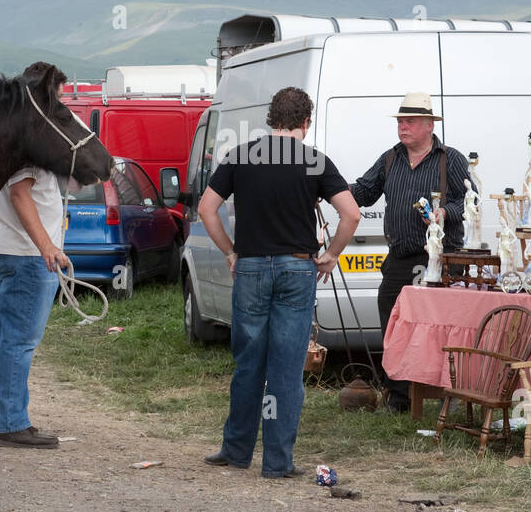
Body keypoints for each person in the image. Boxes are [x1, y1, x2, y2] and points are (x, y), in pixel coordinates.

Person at [198, 87, 360, 477]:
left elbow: (207, 209)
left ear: (271, 119)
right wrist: (331, 255)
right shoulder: (315, 161)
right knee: (286, 368)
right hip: (297, 268)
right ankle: (277, 462)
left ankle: (236, 452)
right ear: (306, 122)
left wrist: (230, 252)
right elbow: (351, 214)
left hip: (251, 267)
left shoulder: (240, 156)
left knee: (248, 363)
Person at [350, 91, 472, 413]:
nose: (403, 127)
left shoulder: (451, 159)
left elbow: (470, 201)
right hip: (401, 258)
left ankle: (451, 393)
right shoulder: (390, 158)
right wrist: (330, 189)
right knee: (393, 321)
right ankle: (398, 397)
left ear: (429, 125)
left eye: (411, 121)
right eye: (401, 121)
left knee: (443, 328)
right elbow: (364, 192)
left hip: (441, 259)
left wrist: (445, 212)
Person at [0, 164, 71, 448]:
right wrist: (47, 245)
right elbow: (19, 193)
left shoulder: (14, 142)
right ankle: (11, 423)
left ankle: (0, 418)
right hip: (28, 253)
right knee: (20, 339)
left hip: (8, 247)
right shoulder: (32, 149)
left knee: (5, 335)